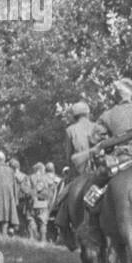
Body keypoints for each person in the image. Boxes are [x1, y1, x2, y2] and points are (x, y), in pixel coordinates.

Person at [82, 78, 132, 209]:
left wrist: (106, 145)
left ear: (115, 95)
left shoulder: (108, 115)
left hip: (120, 160)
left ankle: (93, 226)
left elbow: (94, 140)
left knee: (90, 196)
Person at [51, 101, 95, 247]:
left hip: (79, 171)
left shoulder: (70, 130)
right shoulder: (97, 127)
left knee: (63, 196)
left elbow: (68, 155)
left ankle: (63, 230)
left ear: (74, 116)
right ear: (87, 113)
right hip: (98, 170)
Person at [28, 162, 55, 242]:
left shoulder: (30, 177)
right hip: (44, 203)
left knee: (31, 219)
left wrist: (32, 197)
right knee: (43, 222)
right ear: (41, 169)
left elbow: (26, 189)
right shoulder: (47, 178)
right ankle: (43, 240)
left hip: (33, 202)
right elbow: (51, 191)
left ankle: (32, 238)